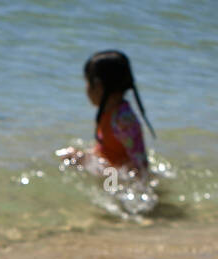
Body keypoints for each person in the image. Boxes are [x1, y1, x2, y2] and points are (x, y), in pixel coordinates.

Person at [59, 50, 154, 180]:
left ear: (98, 86)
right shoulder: (110, 112)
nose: (86, 88)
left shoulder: (123, 120)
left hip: (115, 181)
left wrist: (86, 161)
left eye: (87, 82)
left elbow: (140, 169)